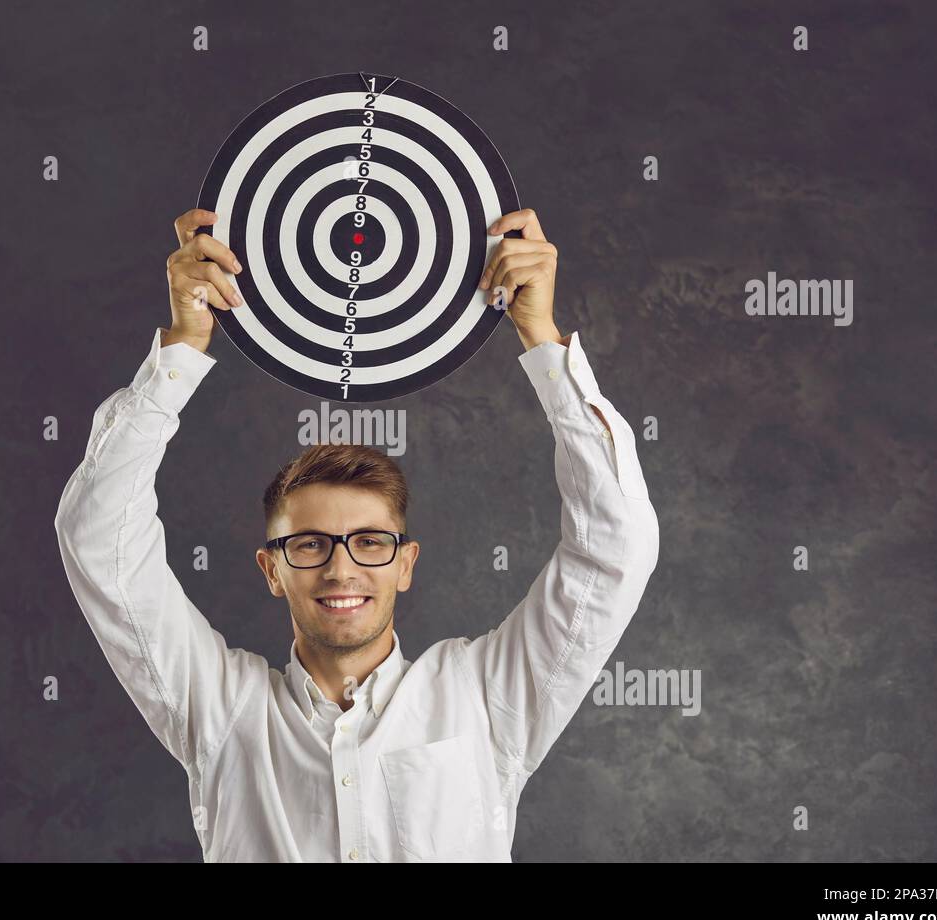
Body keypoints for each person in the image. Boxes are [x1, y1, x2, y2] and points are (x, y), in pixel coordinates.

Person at [54, 206, 660, 862]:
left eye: (370, 542)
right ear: (271, 568)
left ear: (406, 563)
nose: (341, 571)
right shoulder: (221, 710)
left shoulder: (486, 695)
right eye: (310, 544)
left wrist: (541, 337)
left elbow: (614, 546)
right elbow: (98, 539)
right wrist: (182, 347)